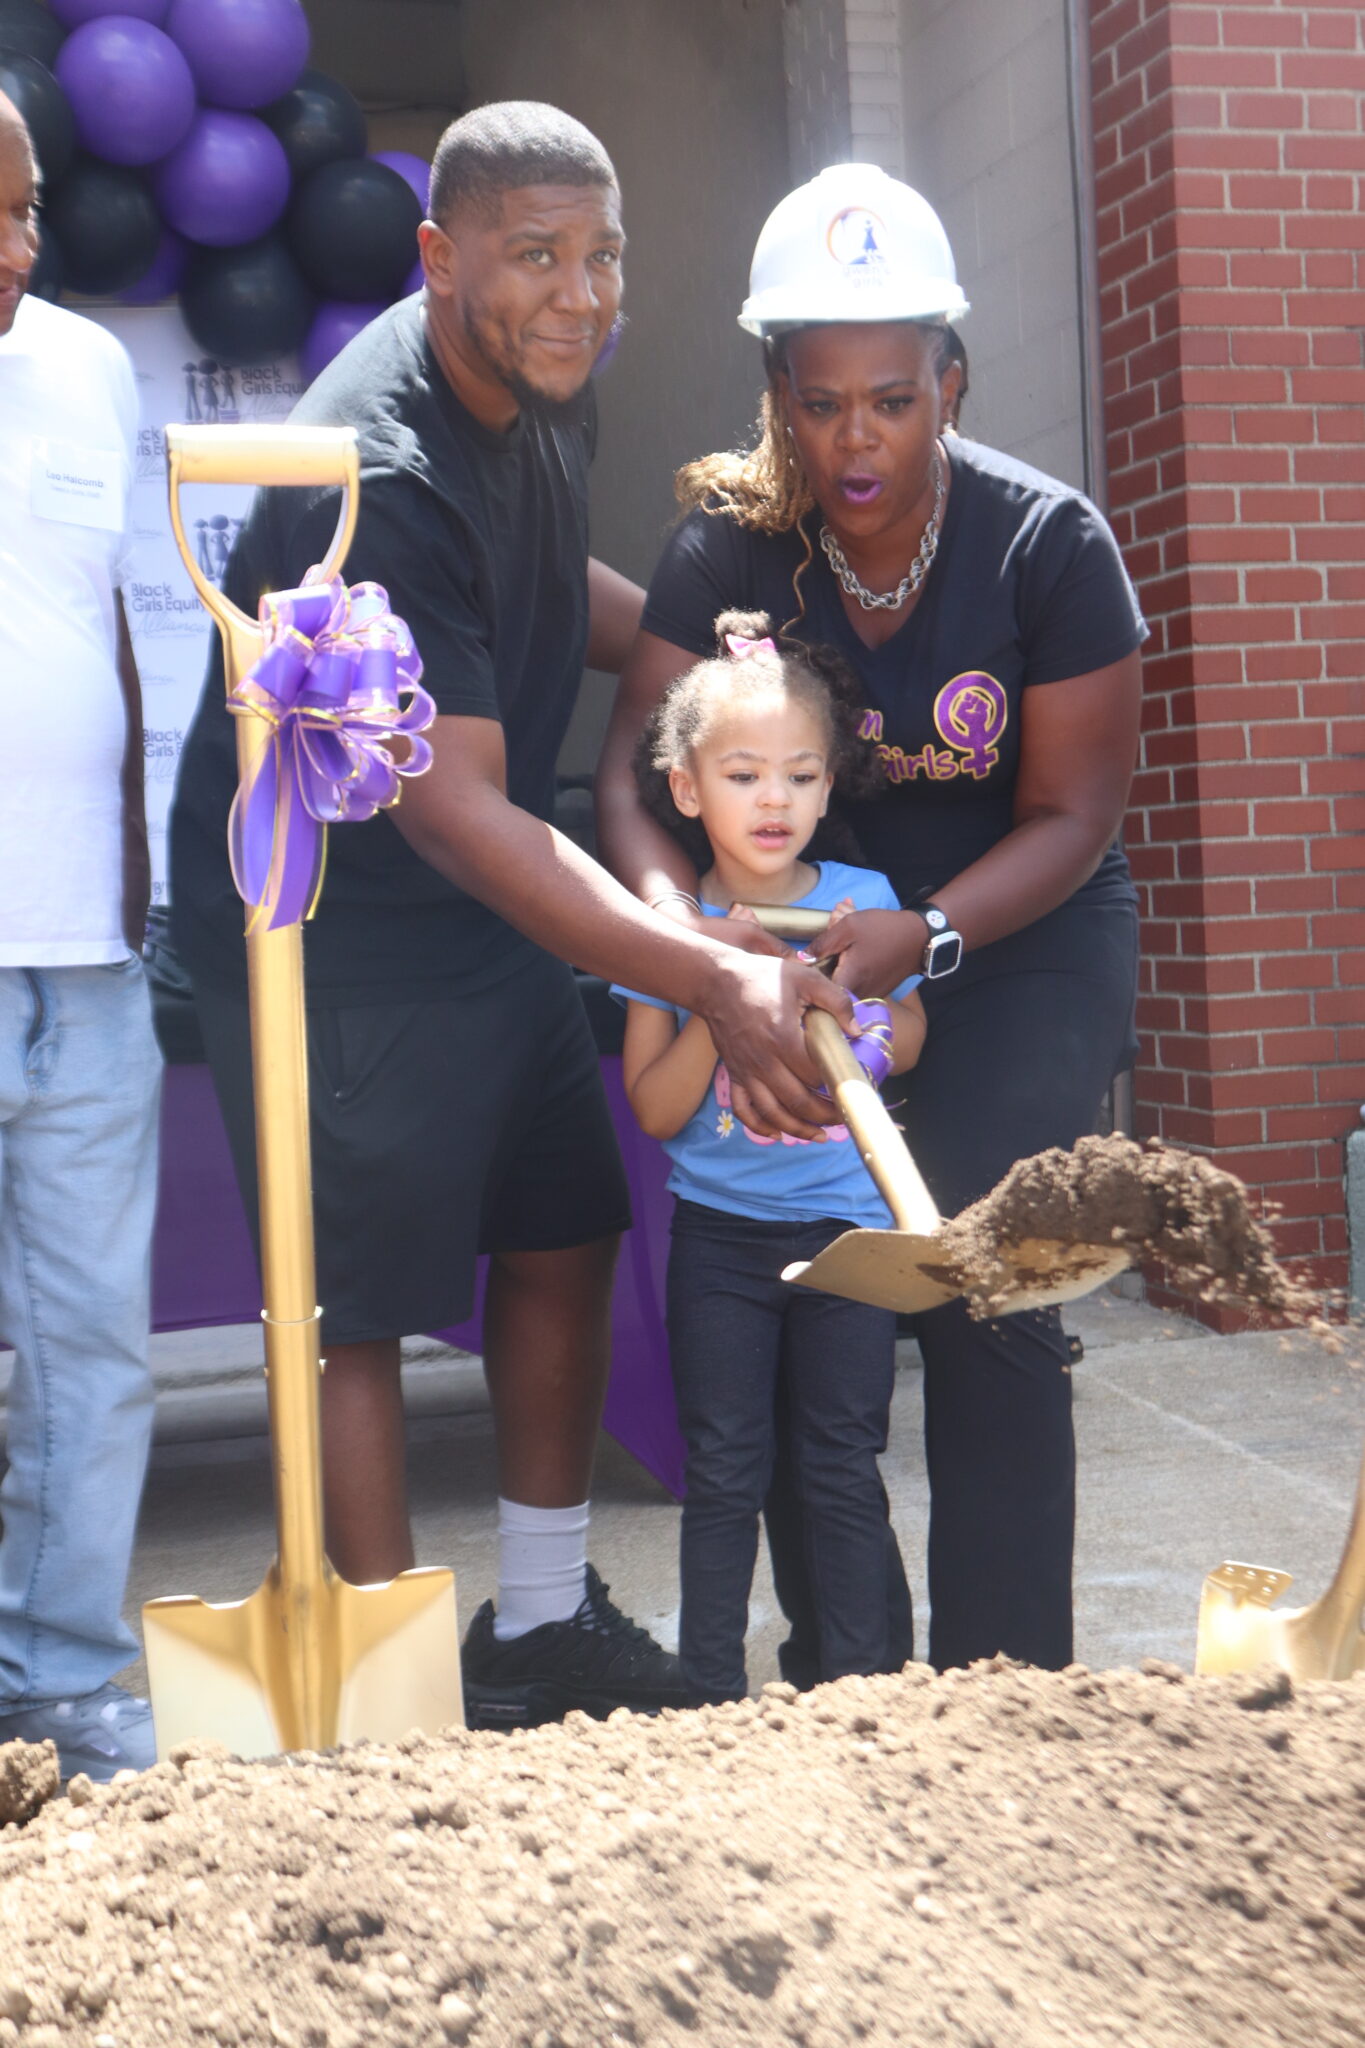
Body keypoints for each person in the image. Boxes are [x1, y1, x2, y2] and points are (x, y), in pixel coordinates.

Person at [169, 102, 851, 1730]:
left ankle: (538, 1625)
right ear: (435, 257)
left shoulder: (541, 383)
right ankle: (395, 1692)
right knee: (361, 1309)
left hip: (480, 899)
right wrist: (707, 964)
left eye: (602, 255)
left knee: (562, 1224)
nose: (580, 291)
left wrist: (689, 640)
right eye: (535, 254)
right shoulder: (383, 472)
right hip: (335, 930)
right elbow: (460, 809)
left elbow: (537, 582)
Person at [597, 163, 1145, 1675]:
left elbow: (1074, 815)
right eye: (820, 400)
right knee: (795, 1272)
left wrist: (928, 937)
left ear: (949, 386)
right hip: (798, 956)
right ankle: (848, 1677)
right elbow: (631, 781)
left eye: (892, 400)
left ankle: (1004, 1686)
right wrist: (700, 953)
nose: (855, 440)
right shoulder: (727, 547)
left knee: (982, 1259)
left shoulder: (1049, 548)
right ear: (776, 389)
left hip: (1016, 943)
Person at [613, 614, 926, 1704]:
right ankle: (709, 1699)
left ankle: (859, 1694)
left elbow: (912, 1034)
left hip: (851, 1242)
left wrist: (860, 1006)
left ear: (831, 784)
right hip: (721, 1247)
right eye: (743, 773)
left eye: (799, 773)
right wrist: (723, 982)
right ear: (689, 787)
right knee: (727, 1472)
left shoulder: (864, 903)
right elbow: (653, 1105)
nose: (774, 797)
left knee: (841, 1466)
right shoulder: (672, 929)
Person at [0, 93, 162, 1779]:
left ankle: (54, 1674)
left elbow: (101, 622)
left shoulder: (89, 371)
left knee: (92, 1360)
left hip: (82, 966)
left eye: (30, 211)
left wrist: (128, 890)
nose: (17, 248)